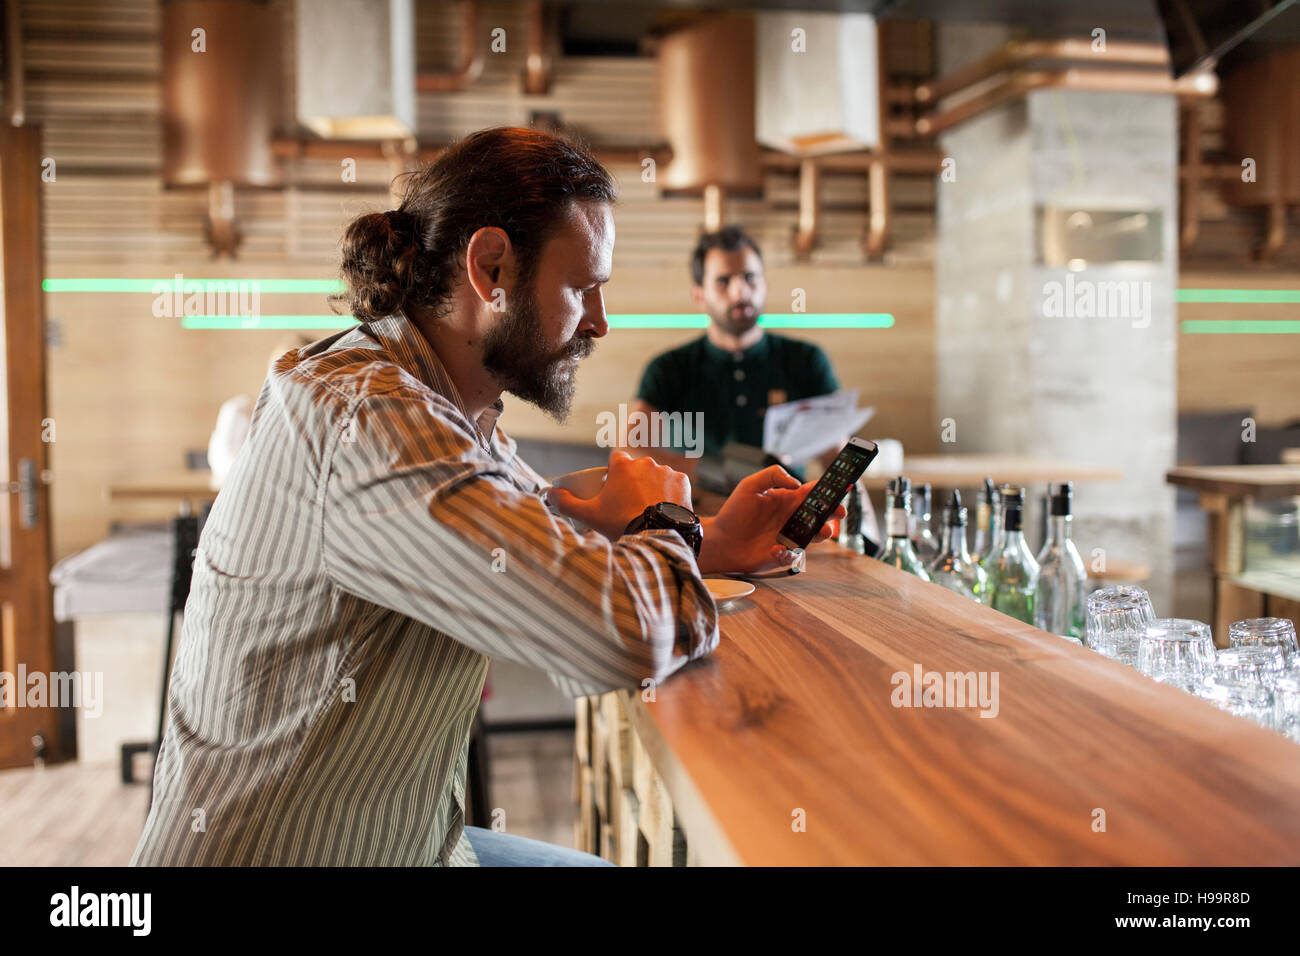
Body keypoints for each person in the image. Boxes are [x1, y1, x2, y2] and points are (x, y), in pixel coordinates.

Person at [131, 127, 843, 868]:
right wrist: (664, 516)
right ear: (491, 267)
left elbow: (548, 528)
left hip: (409, 844)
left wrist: (712, 540)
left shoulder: (450, 416)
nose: (600, 321)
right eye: (581, 287)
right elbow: (616, 636)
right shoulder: (371, 417)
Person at [630, 225, 843, 478]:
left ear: (765, 284)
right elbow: (630, 451)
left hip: (786, 509)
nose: (740, 292)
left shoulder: (806, 360)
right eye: (723, 281)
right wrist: (720, 474)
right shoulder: (669, 368)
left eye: (750, 278)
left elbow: (838, 457)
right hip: (702, 512)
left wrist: (852, 514)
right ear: (699, 296)